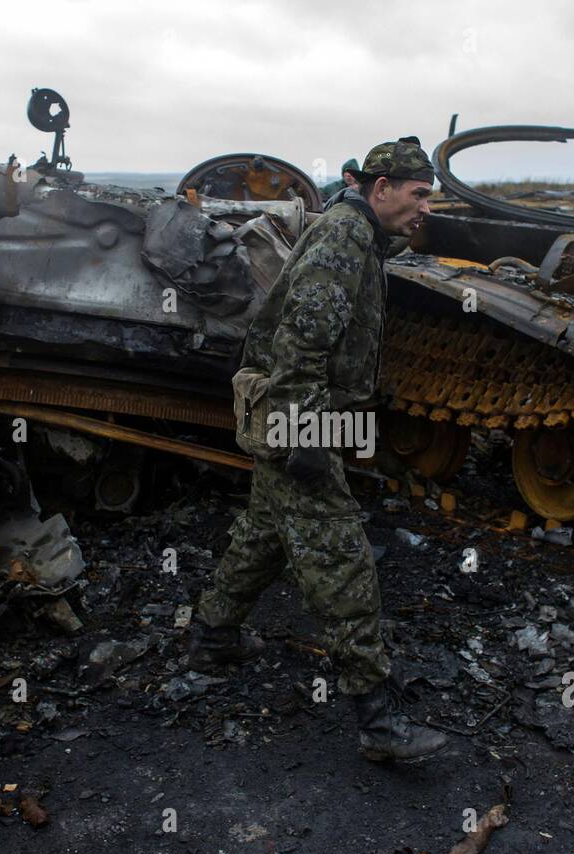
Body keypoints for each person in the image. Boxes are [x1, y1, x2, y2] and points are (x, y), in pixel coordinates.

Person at [188, 139, 447, 763]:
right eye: (417, 196)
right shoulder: (345, 238)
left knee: (264, 532)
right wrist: (304, 432)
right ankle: (378, 720)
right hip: (297, 418)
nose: (424, 210)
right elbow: (303, 339)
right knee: (340, 558)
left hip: (297, 414)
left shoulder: (357, 233)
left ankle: (210, 636)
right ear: (379, 188)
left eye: (429, 199)